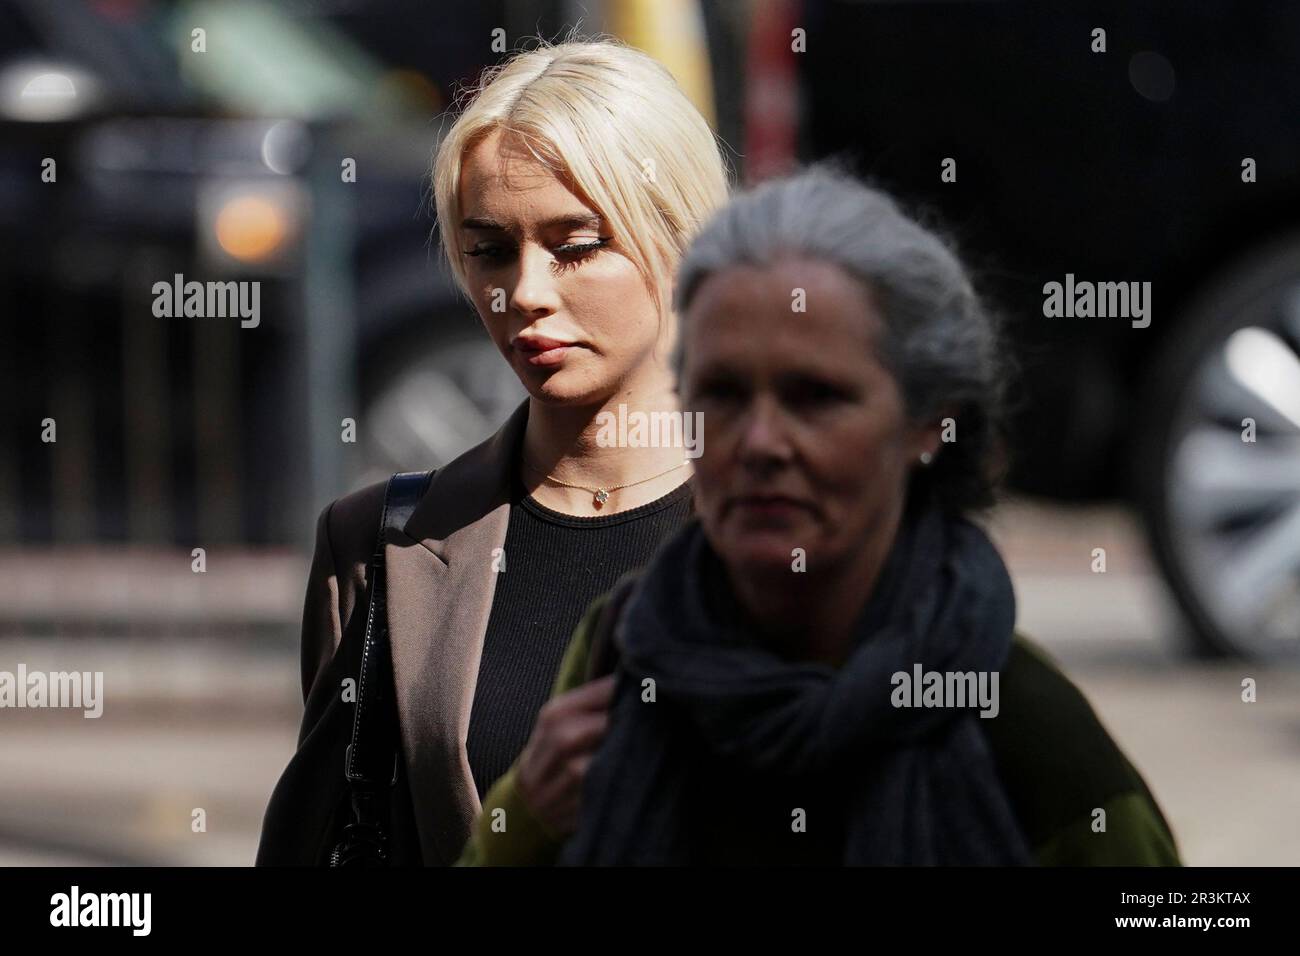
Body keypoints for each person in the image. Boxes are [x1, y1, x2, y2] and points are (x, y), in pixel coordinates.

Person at [458, 164, 1182, 865]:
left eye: (817, 397)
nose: (763, 443)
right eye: (724, 393)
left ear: (930, 423)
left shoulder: (1022, 730)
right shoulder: (626, 656)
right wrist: (524, 824)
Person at [256, 36, 731, 865]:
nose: (527, 293)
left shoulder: (806, 532)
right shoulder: (384, 545)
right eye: (490, 250)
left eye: (576, 244)